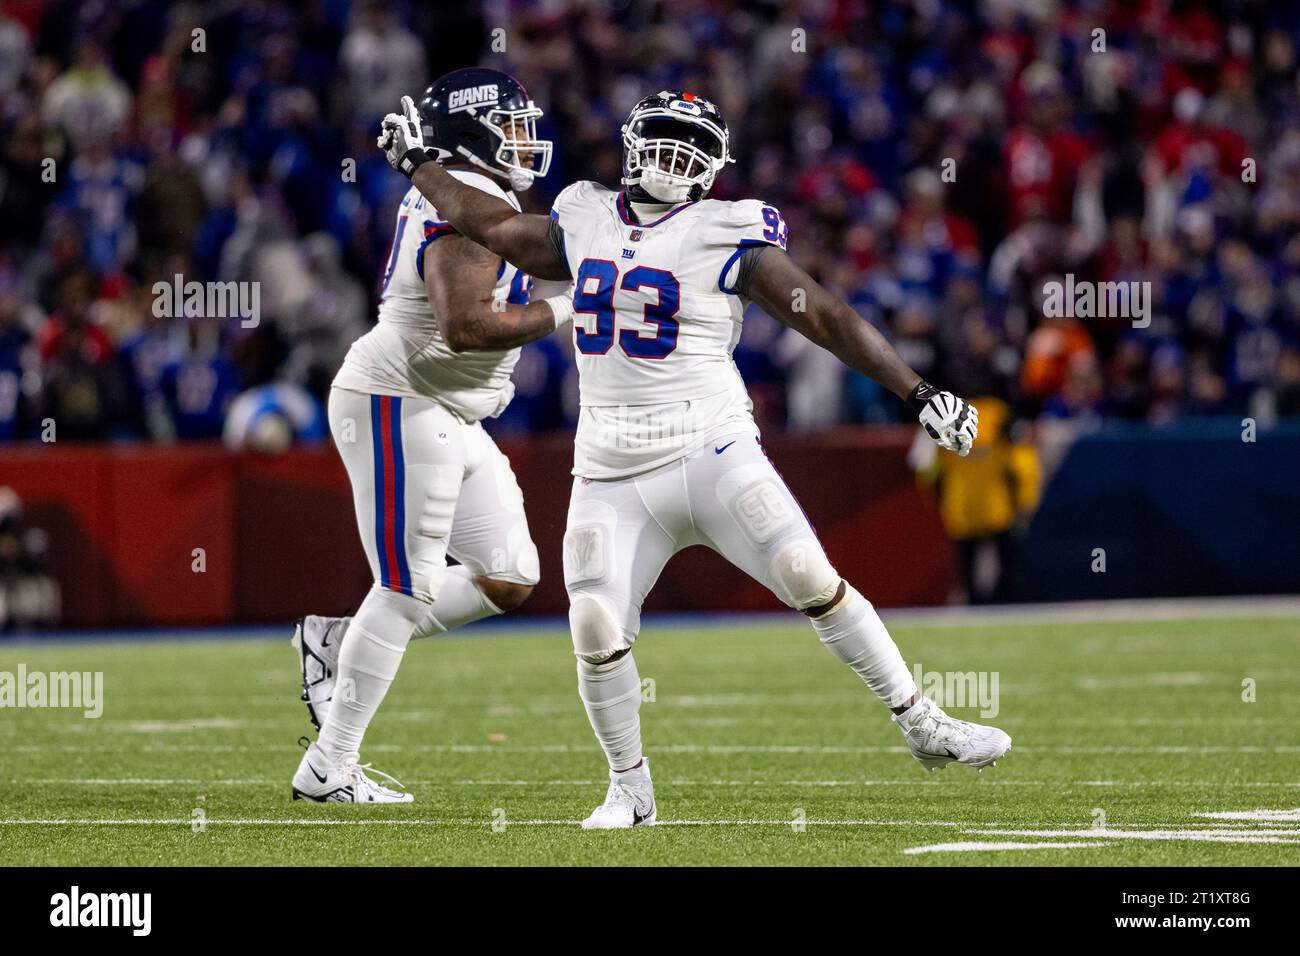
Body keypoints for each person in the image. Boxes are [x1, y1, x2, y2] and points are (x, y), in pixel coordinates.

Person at [379, 86, 1009, 828]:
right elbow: (494, 225)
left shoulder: (726, 229)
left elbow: (825, 314)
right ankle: (629, 788)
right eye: (663, 135)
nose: (673, 152)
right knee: (594, 626)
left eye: (690, 140)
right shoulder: (583, 212)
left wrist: (918, 391)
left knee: (811, 577)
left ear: (716, 164)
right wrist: (421, 163)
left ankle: (921, 721)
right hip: (610, 469)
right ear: (632, 141)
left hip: (712, 449)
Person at [290, 68, 568, 804]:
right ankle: (328, 767)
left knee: (509, 573)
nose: (523, 137)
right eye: (509, 123)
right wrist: (563, 312)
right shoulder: (465, 206)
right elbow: (466, 327)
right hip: (400, 398)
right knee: (406, 586)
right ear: (473, 131)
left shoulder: (472, 194)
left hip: (446, 408)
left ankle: (337, 640)